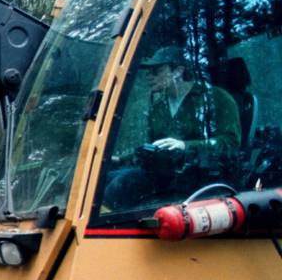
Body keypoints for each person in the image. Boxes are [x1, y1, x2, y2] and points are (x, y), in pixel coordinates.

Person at [103, 46, 241, 210]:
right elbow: (154, 148)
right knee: (105, 179)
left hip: (201, 178)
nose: (149, 76)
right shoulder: (158, 108)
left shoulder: (215, 97)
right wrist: (121, 160)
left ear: (178, 71)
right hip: (165, 176)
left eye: (156, 71)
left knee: (122, 184)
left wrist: (185, 146)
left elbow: (231, 144)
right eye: (148, 72)